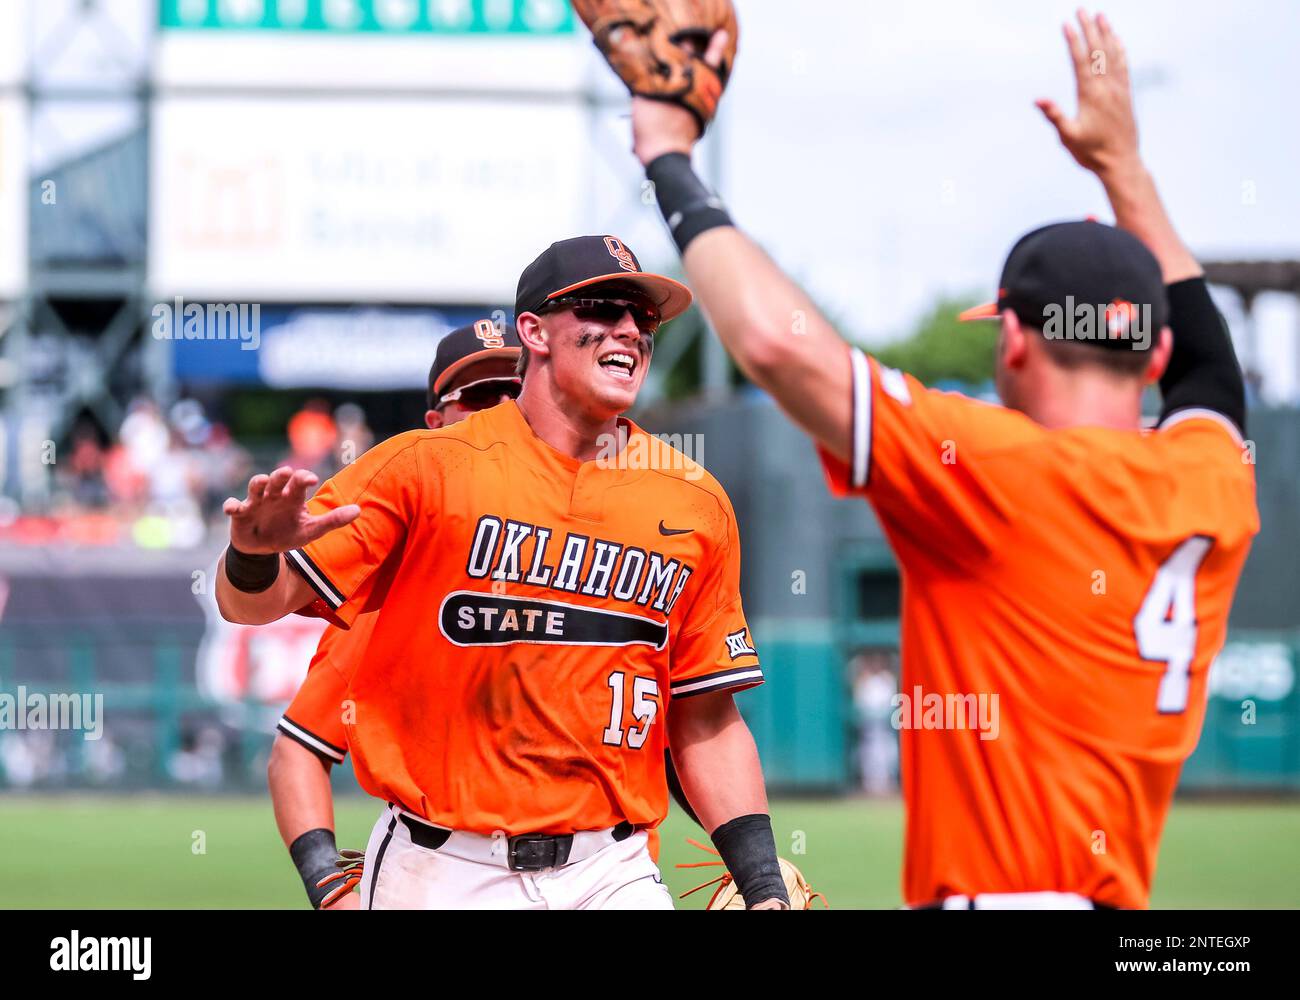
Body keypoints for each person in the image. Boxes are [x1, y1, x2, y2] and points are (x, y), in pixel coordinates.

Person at [626, 11, 1258, 908]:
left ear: (1013, 346)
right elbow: (1212, 374)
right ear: (1151, 358)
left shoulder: (1000, 471)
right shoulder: (1213, 484)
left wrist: (668, 156)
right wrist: (1125, 167)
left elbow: (775, 343)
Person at [217, 237, 788, 910]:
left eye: (644, 319)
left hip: (615, 868)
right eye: (604, 309)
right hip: (444, 867)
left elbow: (708, 719)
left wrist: (764, 886)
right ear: (534, 331)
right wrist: (254, 555)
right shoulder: (426, 467)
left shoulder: (693, 501)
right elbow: (252, 606)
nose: (630, 330)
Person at [267, 320, 523, 910]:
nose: (502, 411)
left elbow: (677, 731)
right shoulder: (405, 588)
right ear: (434, 423)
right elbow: (298, 749)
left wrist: (754, 868)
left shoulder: (614, 541)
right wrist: (329, 886)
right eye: (479, 398)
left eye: (515, 392)